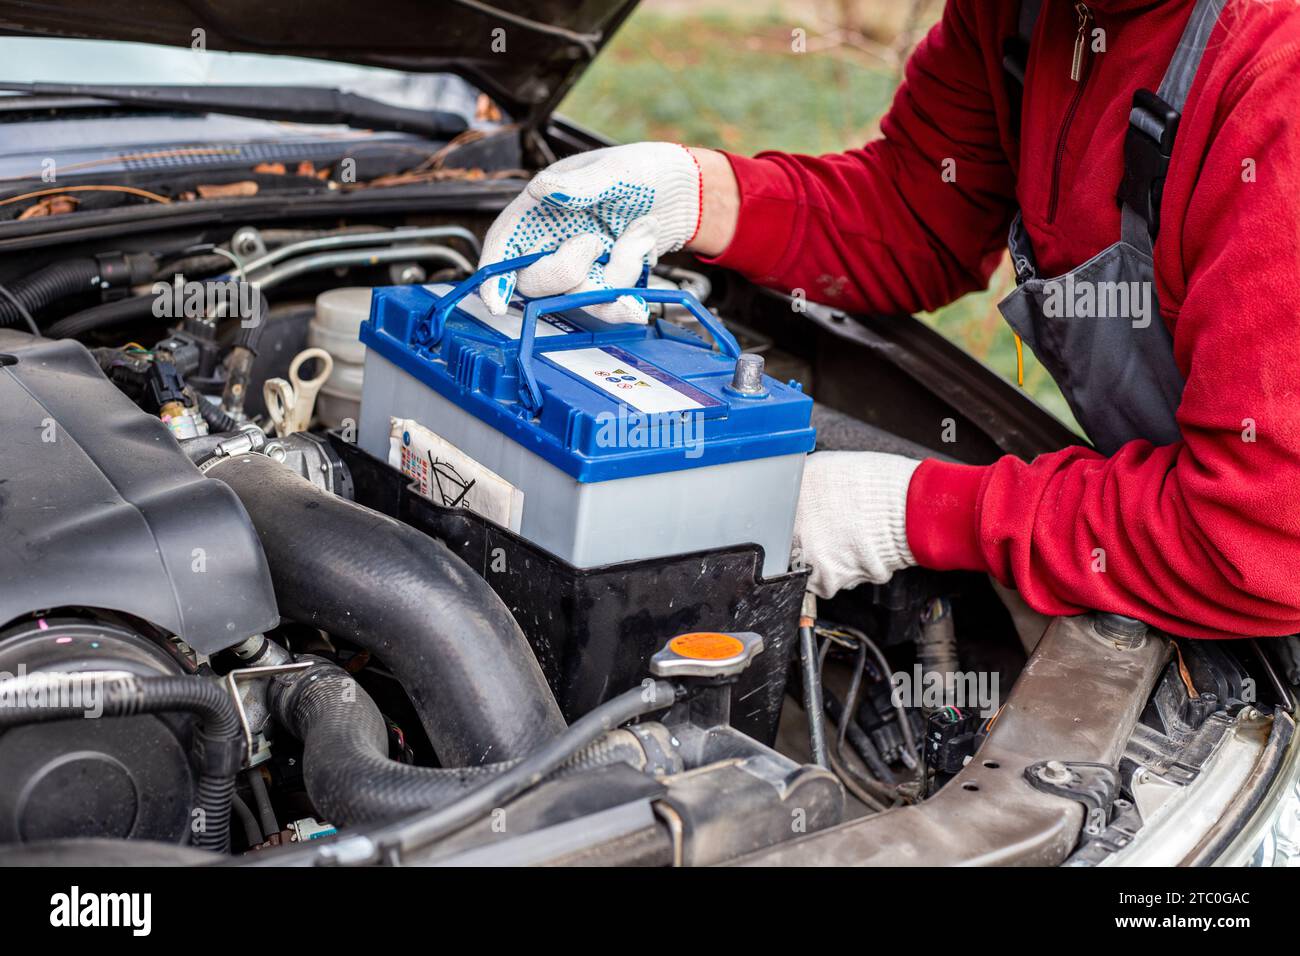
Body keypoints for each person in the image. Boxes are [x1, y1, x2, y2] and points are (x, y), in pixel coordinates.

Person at [477, 0, 1300, 639]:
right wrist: (688, 192)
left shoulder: (1274, 77)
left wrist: (914, 512)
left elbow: (1263, 538)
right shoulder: (1024, 15)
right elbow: (919, 211)